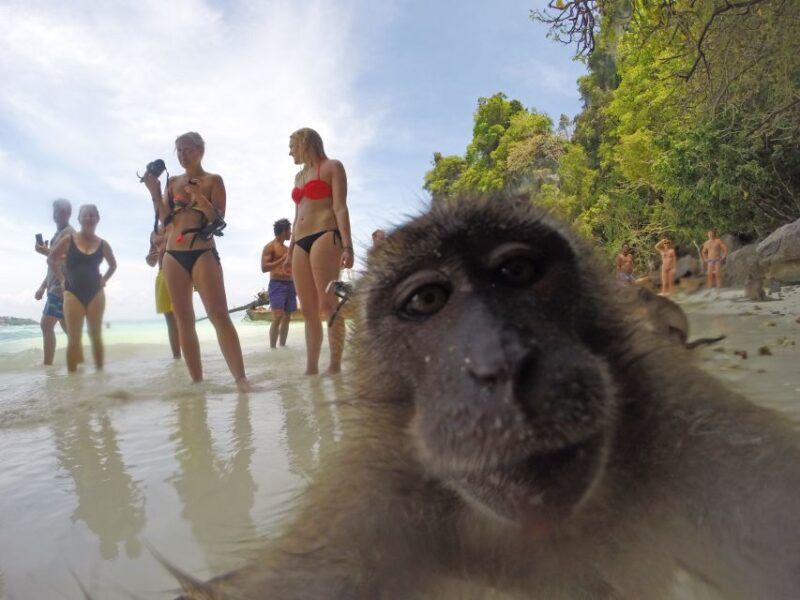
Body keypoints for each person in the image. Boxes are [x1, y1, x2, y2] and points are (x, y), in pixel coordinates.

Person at [142, 132, 251, 392]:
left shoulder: (214, 180)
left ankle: (241, 379)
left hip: (203, 250)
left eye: (187, 149)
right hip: (173, 255)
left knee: (218, 313)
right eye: (178, 150)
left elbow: (219, 220)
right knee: (184, 319)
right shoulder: (172, 183)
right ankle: (197, 382)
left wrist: (199, 197)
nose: (182, 155)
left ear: (201, 150)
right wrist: (155, 192)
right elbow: (165, 220)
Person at [284, 128, 354, 375]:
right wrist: (290, 249)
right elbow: (296, 216)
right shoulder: (298, 177)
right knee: (308, 309)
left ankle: (334, 365)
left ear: (304, 143)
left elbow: (340, 207)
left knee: (328, 303)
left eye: (292, 145)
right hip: (300, 241)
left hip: (326, 234)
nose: (289, 151)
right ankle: (311, 368)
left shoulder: (333, 166)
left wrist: (347, 245)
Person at [47, 204, 117, 372]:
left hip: (96, 293)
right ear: (79, 219)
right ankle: (73, 383)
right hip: (72, 292)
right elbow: (51, 259)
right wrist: (62, 279)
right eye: (85, 215)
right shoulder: (69, 240)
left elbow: (113, 265)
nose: (88, 218)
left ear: (97, 219)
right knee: (74, 338)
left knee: (96, 336)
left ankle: (100, 377)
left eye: (92, 215)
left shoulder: (103, 244)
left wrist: (104, 279)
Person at [34, 198, 76, 365]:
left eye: (61, 212)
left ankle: (48, 367)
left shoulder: (69, 233)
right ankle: (78, 365)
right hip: (55, 286)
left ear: (68, 214)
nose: (57, 215)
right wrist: (42, 287)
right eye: (56, 212)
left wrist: (47, 252)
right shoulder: (57, 236)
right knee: (68, 330)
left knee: (46, 325)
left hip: (62, 287)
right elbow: (52, 265)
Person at [146, 223, 181, 359]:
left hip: (180, 271)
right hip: (162, 272)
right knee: (170, 321)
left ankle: (190, 357)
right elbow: (152, 262)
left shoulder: (178, 222)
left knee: (183, 317)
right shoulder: (153, 233)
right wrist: (149, 259)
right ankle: (177, 360)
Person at [262, 218, 297, 348]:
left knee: (287, 317)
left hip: (291, 284)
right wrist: (282, 259)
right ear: (284, 230)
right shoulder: (270, 247)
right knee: (277, 316)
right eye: (289, 230)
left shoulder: (289, 249)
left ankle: (282, 347)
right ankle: (272, 348)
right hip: (277, 284)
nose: (291, 233)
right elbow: (264, 268)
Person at [701, 228, 729, 295]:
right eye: (709, 233)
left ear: (714, 234)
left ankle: (718, 290)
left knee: (717, 274)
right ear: (707, 234)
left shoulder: (718, 241)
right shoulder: (706, 243)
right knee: (709, 275)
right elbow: (703, 252)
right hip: (710, 260)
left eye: (712, 233)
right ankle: (709, 290)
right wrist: (705, 259)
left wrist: (724, 256)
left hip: (717, 259)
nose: (710, 235)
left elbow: (725, 248)